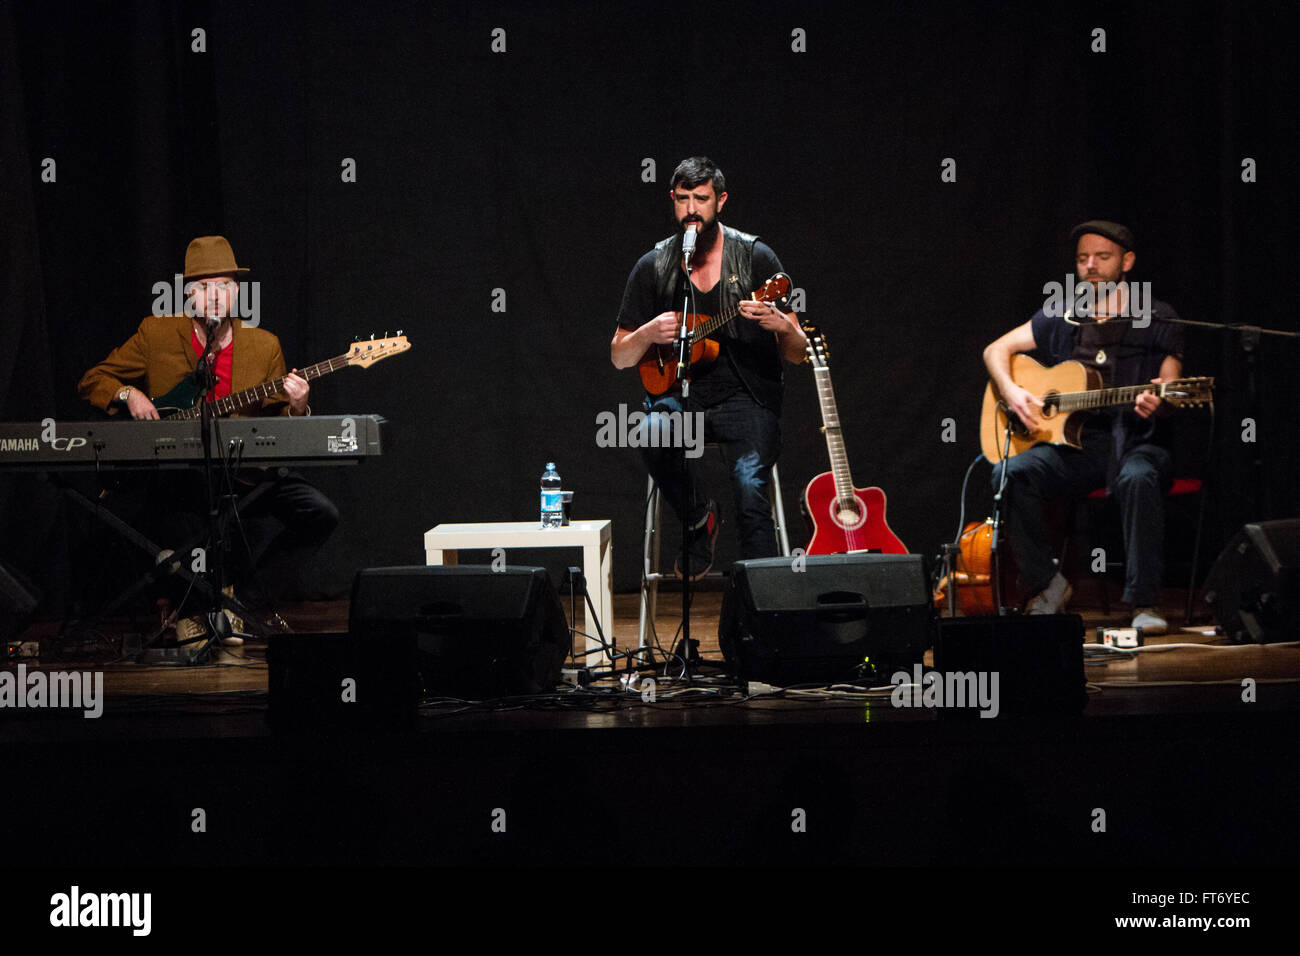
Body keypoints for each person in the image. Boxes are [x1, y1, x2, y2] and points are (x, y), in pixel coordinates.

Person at [77, 235, 338, 640]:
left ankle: (244, 603)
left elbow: (278, 421)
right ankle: (189, 609)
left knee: (319, 512)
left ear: (236, 292)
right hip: (180, 473)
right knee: (172, 516)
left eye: (222, 286)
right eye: (202, 287)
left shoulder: (265, 345)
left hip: (245, 471)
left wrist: (298, 405)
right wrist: (130, 394)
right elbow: (94, 379)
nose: (213, 296)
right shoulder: (156, 334)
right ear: (187, 296)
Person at [982, 220, 1185, 634]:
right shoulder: (1063, 312)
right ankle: (1047, 583)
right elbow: (996, 349)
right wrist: (1012, 391)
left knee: (1139, 478)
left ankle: (1145, 603)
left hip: (1137, 442)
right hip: (1079, 448)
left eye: (1102, 257)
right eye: (1082, 258)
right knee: (1008, 471)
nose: (1090, 266)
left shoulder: (1158, 316)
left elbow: (1172, 384)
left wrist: (1160, 401)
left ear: (1126, 262)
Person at [610, 157, 806, 578]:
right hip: (681, 398)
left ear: (721, 200)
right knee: (650, 430)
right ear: (673, 200)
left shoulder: (755, 256)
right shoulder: (655, 264)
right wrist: (648, 333)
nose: (692, 209)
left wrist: (779, 326)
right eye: (684, 199)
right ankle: (700, 519)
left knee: (750, 487)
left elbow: (798, 351)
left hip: (747, 397)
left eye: (702, 199)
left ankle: (762, 605)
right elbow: (620, 355)